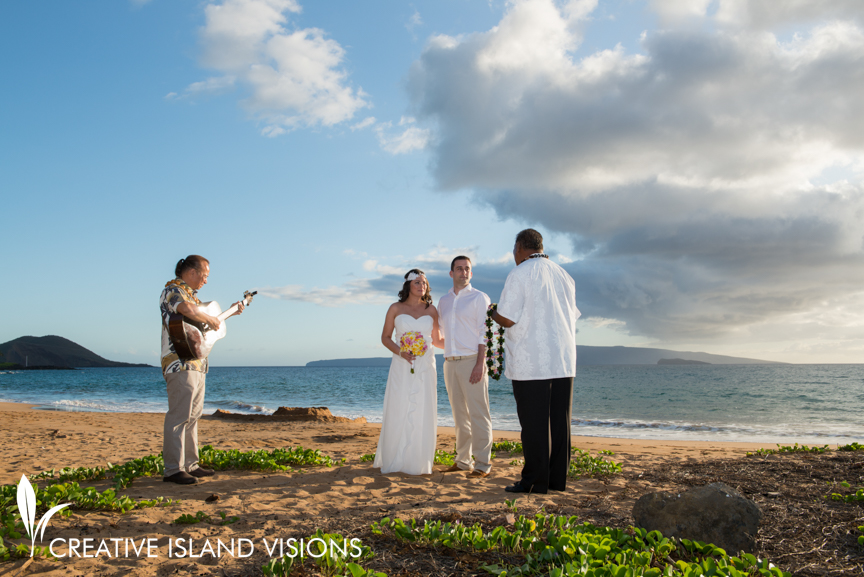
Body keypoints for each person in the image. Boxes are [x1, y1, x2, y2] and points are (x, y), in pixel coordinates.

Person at [491, 230, 580, 494]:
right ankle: (556, 480)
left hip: (532, 360)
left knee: (534, 424)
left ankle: (534, 481)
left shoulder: (519, 273)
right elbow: (571, 315)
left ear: (519, 247)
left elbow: (507, 318)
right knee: (559, 422)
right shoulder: (564, 274)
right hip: (563, 358)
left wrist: (492, 312)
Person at [159, 255, 244, 485]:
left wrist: (229, 313)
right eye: (205, 275)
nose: (206, 280)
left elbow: (203, 324)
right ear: (192, 272)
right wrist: (208, 317)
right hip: (179, 362)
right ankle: (173, 470)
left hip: (196, 362)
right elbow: (185, 309)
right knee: (179, 416)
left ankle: (191, 464)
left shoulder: (194, 298)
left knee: (193, 416)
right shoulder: (172, 290)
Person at [374, 269, 443, 475]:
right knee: (399, 405)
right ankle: (395, 458)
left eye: (424, 283)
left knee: (423, 407)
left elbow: (438, 340)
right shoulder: (395, 308)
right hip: (402, 364)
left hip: (425, 366)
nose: (422, 286)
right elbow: (385, 337)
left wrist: (463, 346)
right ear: (408, 286)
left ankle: (418, 461)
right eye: (417, 283)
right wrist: (401, 351)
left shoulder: (431, 310)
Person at [437, 256, 493, 478]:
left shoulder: (480, 298)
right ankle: (462, 461)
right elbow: (440, 333)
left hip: (473, 361)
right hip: (449, 363)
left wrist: (480, 363)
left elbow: (485, 333)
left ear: (471, 273)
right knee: (460, 415)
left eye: (467, 269)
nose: (463, 272)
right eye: (459, 269)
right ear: (451, 273)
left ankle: (482, 463)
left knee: (479, 413)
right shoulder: (443, 301)